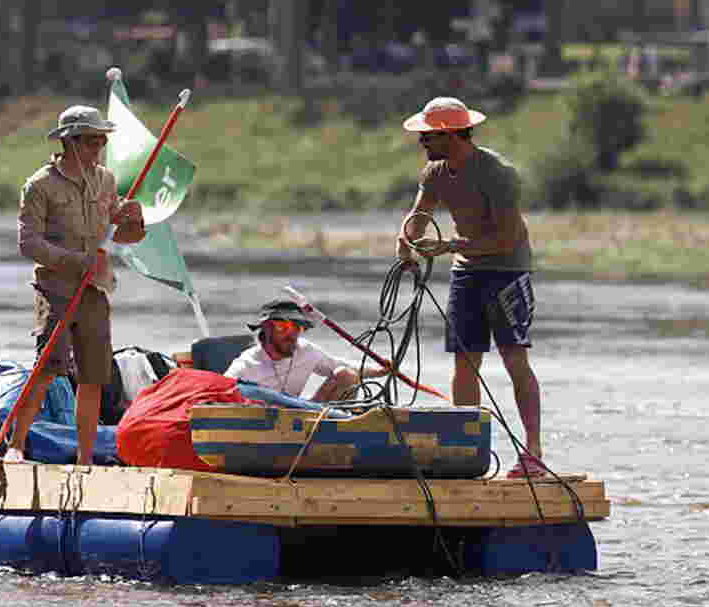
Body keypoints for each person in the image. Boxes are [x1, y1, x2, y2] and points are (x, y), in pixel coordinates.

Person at [394, 96, 545, 479]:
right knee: (464, 361)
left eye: (428, 136)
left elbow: (508, 238)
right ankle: (467, 450)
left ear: (450, 135)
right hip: (466, 270)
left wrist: (447, 247)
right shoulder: (435, 172)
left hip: (507, 269)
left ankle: (533, 452)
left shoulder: (497, 173)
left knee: (514, 358)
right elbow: (420, 214)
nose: (422, 142)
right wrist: (407, 241)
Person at [6, 105, 146, 465]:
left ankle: (85, 460)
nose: (97, 147)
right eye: (90, 140)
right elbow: (29, 243)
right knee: (47, 367)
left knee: (93, 375)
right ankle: (16, 446)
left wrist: (135, 221)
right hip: (55, 288)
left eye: (101, 140)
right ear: (69, 142)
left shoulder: (106, 180)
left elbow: (125, 237)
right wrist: (75, 261)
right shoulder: (39, 185)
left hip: (95, 289)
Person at [224, 300, 387, 402]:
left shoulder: (306, 350)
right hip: (260, 422)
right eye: (284, 327)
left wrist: (380, 370)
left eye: (297, 327)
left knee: (347, 375)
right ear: (266, 328)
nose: (292, 333)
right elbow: (218, 395)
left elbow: (338, 364)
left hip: (304, 416)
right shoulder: (245, 365)